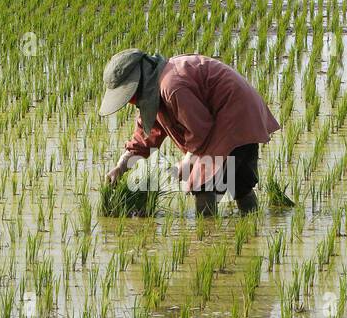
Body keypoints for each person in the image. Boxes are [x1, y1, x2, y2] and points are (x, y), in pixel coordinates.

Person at [100, 49, 281, 217]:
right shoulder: (154, 90)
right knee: (240, 184)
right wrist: (121, 165)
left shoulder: (172, 86)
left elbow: (199, 132)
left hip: (233, 115)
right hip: (239, 115)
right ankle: (252, 232)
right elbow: (146, 134)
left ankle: (204, 239)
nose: (131, 102)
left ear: (138, 83)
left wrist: (186, 162)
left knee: (203, 183)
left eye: (129, 96)